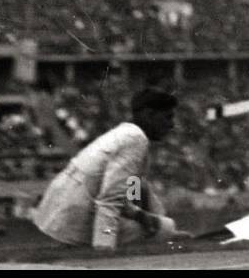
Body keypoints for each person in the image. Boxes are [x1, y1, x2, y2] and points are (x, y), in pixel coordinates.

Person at [31, 86, 189, 250]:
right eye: (167, 118)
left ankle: (168, 234)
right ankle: (169, 236)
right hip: (73, 215)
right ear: (149, 115)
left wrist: (140, 216)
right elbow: (110, 199)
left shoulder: (125, 133)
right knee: (166, 226)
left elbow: (124, 192)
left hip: (60, 211)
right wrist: (104, 247)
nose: (171, 125)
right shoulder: (135, 140)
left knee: (155, 214)